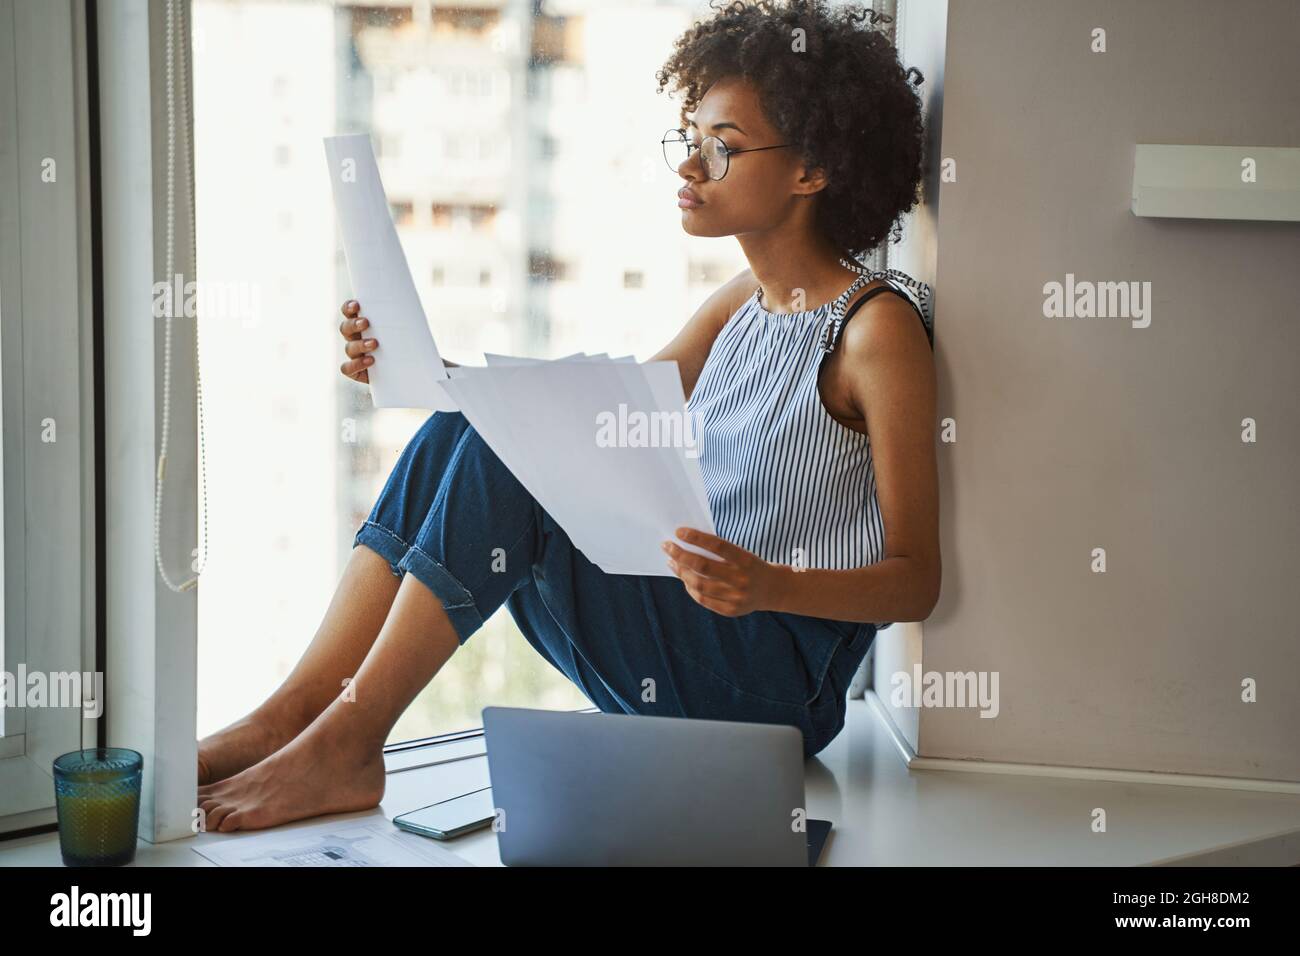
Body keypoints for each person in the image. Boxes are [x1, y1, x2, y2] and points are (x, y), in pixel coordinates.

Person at [196, 0, 939, 832]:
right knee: (468, 431)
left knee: (511, 452)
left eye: (722, 149)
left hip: (769, 691)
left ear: (812, 170)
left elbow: (916, 579)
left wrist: (769, 583)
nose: (690, 167)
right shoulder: (740, 304)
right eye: (690, 139)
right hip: (692, 639)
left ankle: (349, 739)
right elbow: (584, 424)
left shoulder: (877, 332)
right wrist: (420, 368)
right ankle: (303, 710)